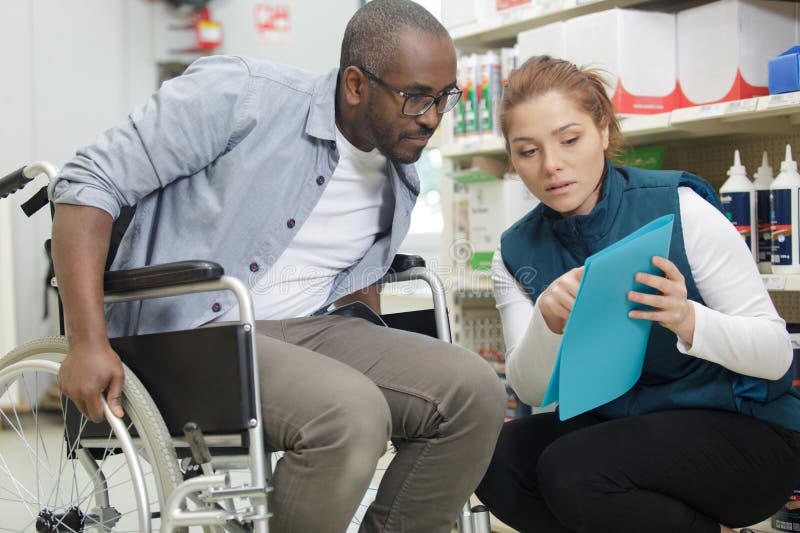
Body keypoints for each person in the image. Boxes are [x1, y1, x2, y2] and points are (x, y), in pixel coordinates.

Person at [49, 1, 506, 532]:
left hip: (316, 329)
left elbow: (355, 285)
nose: (431, 118)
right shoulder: (242, 95)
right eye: (415, 98)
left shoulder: (399, 174)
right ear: (356, 84)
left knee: (473, 391)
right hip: (196, 332)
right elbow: (87, 183)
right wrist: (86, 341)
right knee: (350, 414)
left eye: (444, 98)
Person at [474, 55, 800, 533]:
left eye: (569, 140)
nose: (552, 165)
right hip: (625, 430)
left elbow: (776, 355)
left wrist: (689, 320)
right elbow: (529, 388)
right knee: (495, 460)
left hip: (746, 432)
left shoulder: (680, 209)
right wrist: (548, 321)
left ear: (603, 131)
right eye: (528, 151)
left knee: (574, 470)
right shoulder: (515, 252)